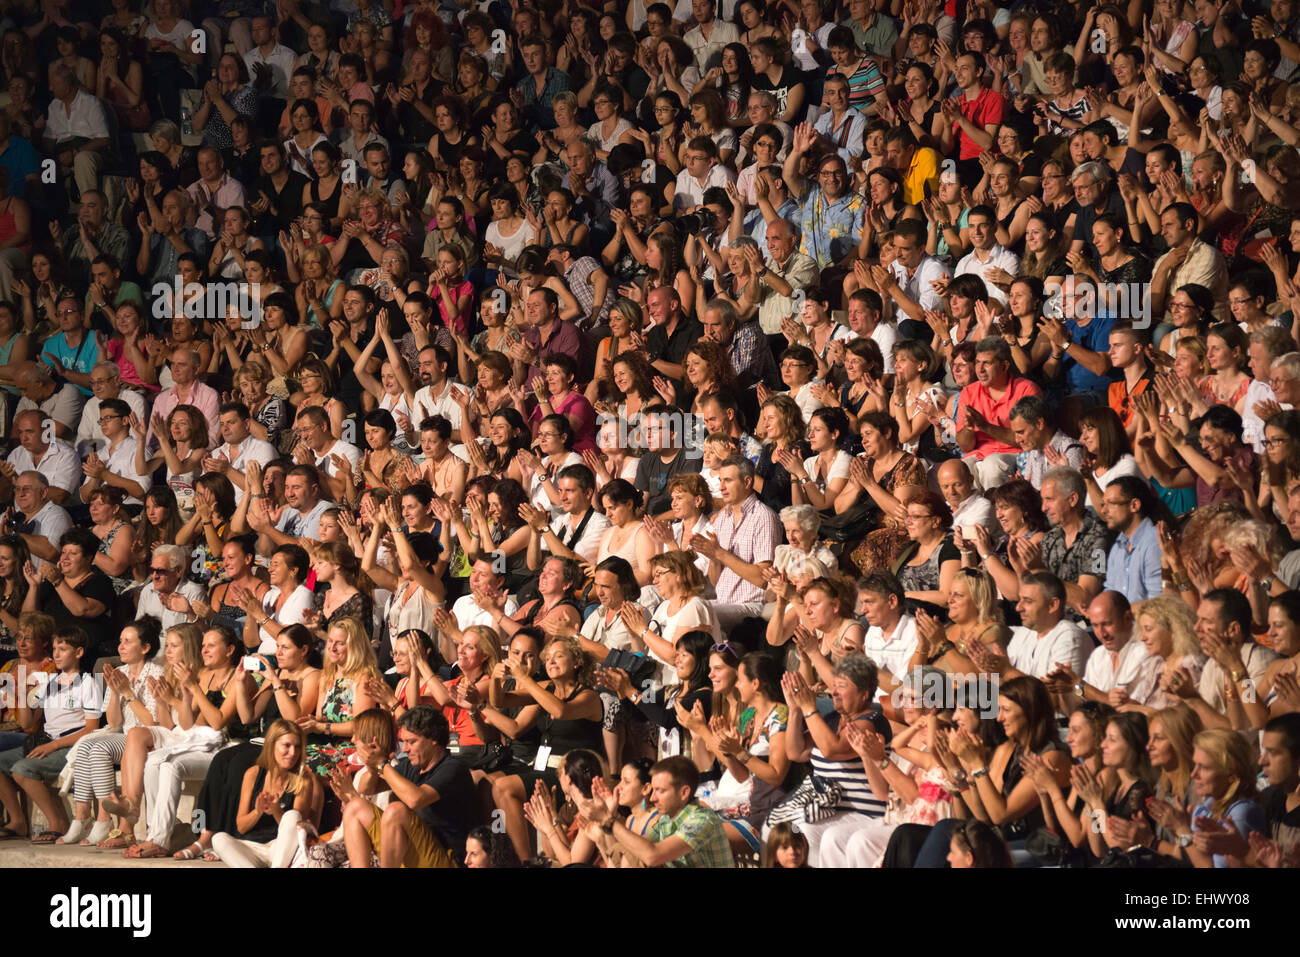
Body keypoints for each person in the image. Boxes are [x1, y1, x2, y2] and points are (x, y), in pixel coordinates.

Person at [580, 755, 735, 867]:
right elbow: (630, 850)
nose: (652, 798)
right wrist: (607, 816)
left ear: (684, 793)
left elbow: (652, 855)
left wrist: (608, 820)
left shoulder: (701, 820)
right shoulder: (666, 820)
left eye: (660, 791)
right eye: (653, 790)